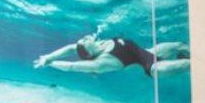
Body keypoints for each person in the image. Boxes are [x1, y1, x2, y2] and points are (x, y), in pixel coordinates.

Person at [34, 32, 190, 77]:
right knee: (189, 64)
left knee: (180, 46)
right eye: (83, 41)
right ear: (89, 52)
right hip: (151, 67)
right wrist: (50, 63)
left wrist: (48, 56)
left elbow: (69, 48)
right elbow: (72, 66)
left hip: (149, 51)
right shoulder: (101, 62)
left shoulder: (98, 43)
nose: (83, 38)